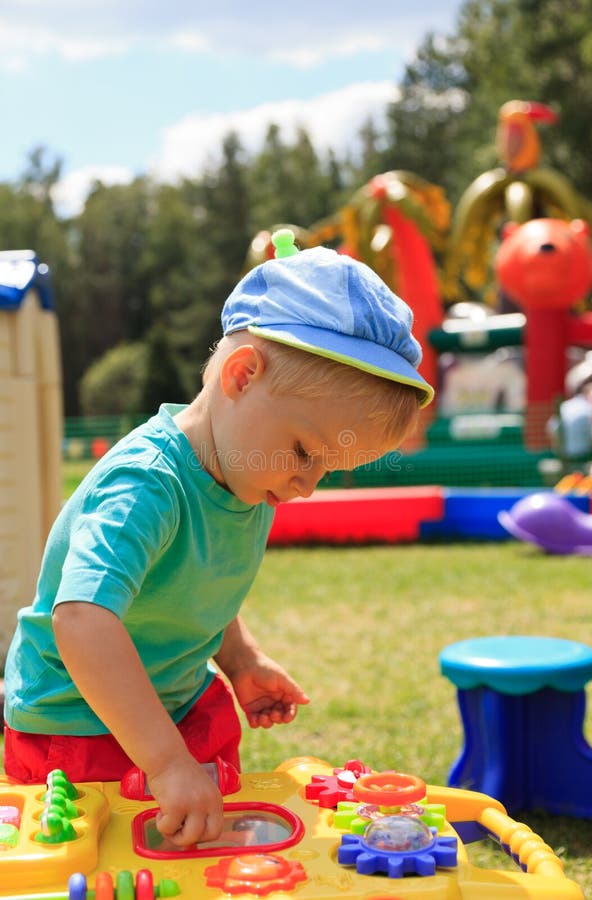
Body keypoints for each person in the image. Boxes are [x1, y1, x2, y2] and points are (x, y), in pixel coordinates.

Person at [3, 230, 434, 847]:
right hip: (78, 722)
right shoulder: (146, 488)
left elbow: (192, 585)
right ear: (241, 376)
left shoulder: (250, 473)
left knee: (200, 845)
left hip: (175, 700)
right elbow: (82, 622)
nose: (307, 485)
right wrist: (168, 763)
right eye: (306, 452)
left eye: (327, 471)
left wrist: (239, 658)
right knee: (109, 863)